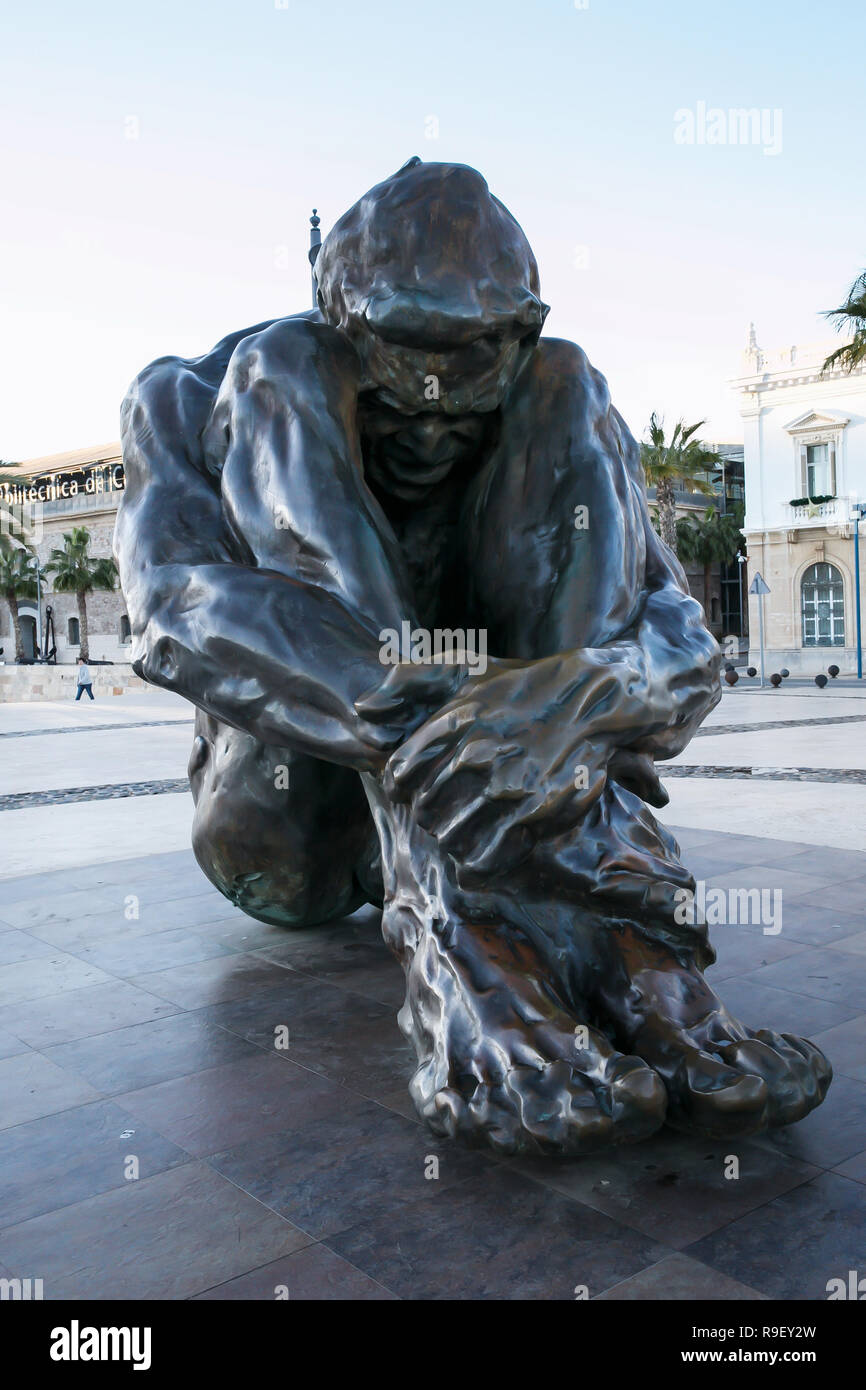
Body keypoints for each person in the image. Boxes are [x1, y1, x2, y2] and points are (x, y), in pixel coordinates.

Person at [114, 158, 830, 1155]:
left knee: (573, 387)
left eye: (466, 378)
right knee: (275, 374)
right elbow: (173, 609)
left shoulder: (544, 386)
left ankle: (637, 962)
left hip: (518, 783)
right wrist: (478, 705)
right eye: (400, 378)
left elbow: (678, 642)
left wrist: (572, 698)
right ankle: (471, 960)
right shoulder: (197, 395)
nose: (435, 414)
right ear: (342, 321)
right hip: (285, 831)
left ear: (517, 328)